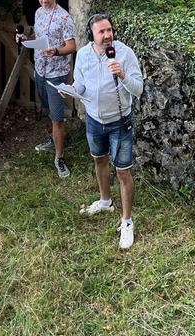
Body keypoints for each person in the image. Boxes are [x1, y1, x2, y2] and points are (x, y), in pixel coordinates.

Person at [71, 13, 143, 250]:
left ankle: (127, 221)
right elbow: (80, 85)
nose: (107, 35)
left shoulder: (124, 54)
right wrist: (70, 90)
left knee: (123, 172)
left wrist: (122, 75)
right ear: (91, 34)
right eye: (101, 31)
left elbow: (138, 89)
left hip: (119, 122)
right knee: (99, 160)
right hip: (94, 120)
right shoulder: (82, 55)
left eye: (109, 30)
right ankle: (105, 201)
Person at [17, 0, 76, 178]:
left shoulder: (64, 18)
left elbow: (71, 46)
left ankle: (59, 158)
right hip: (40, 70)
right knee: (47, 109)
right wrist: (26, 39)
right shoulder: (38, 12)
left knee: (58, 119)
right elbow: (38, 36)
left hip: (56, 74)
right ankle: (54, 140)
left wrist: (56, 52)